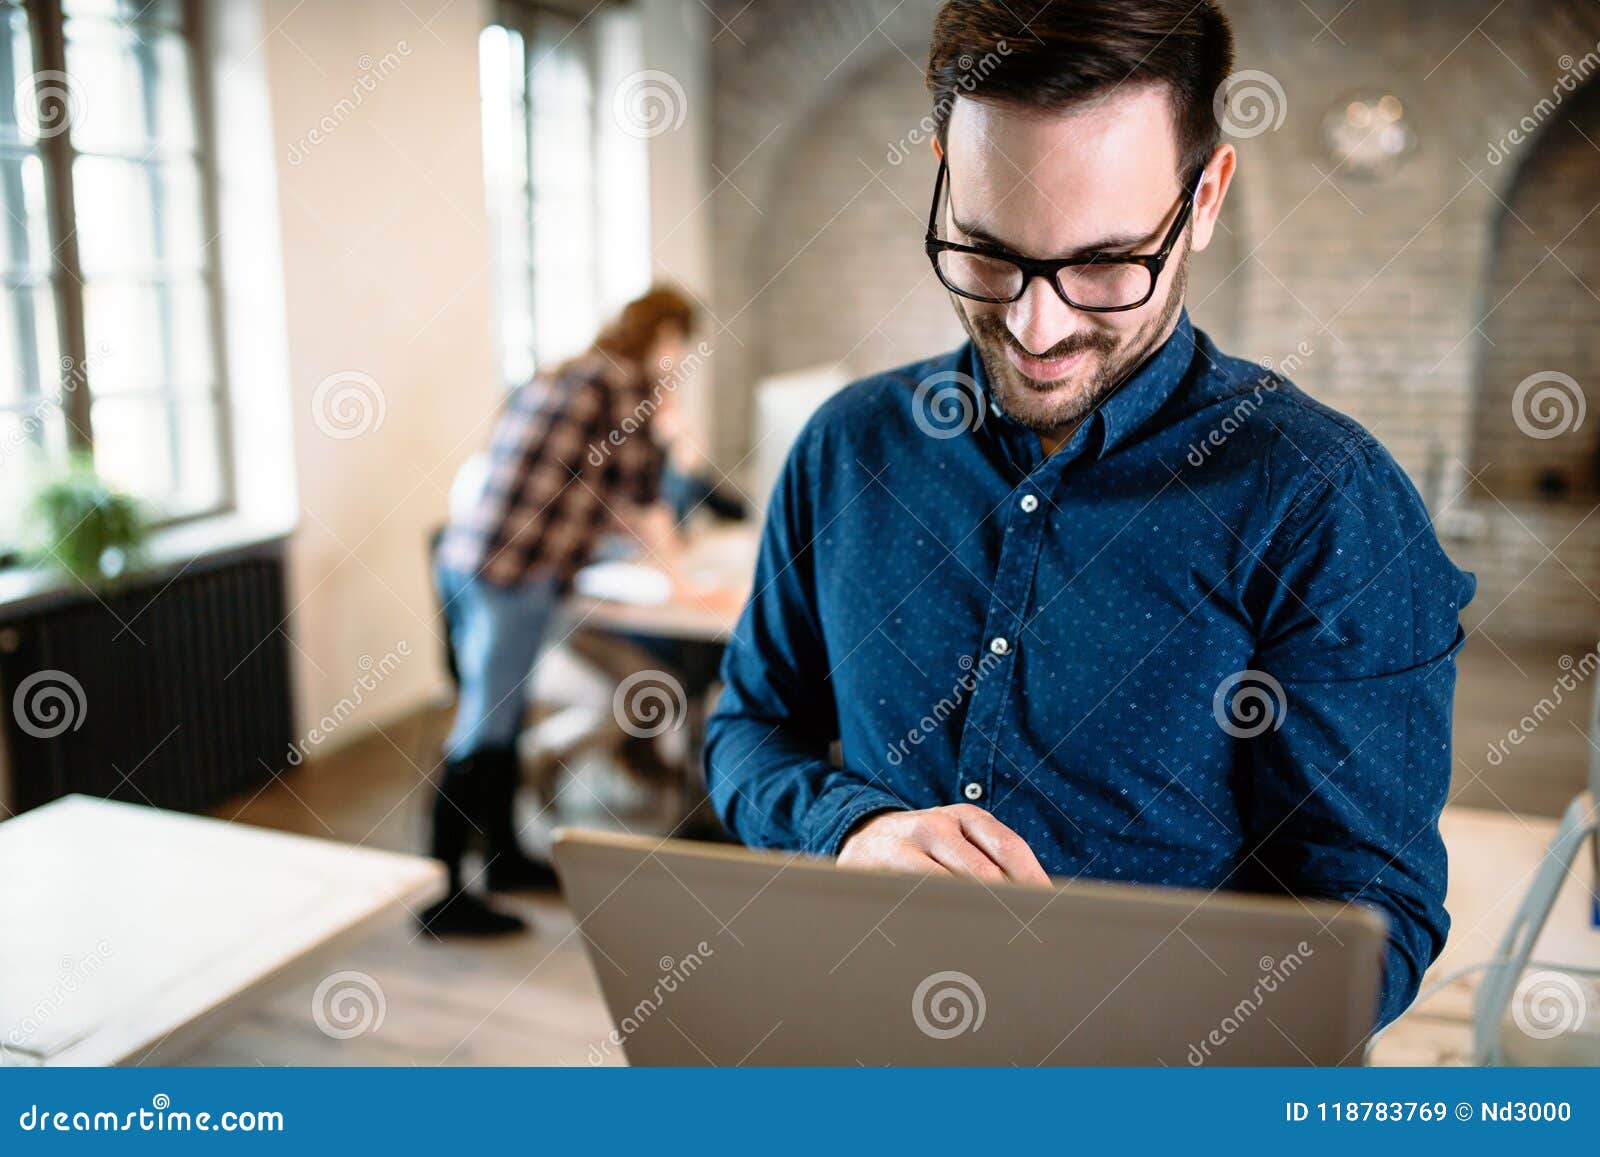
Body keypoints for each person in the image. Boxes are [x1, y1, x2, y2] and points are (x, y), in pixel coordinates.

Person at [704, 0, 1474, 1029]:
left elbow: (1373, 916)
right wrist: (850, 830)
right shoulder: (848, 449)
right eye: (987, 253)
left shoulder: (1325, 501)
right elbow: (748, 727)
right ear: (941, 165)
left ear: (1204, 199)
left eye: (1105, 265)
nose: (1037, 325)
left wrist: (1140, 1023)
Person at [426, 286, 694, 937]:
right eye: (681, 345)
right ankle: (442, 897)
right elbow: (643, 499)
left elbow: (589, 493)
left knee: (501, 719)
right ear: (665, 337)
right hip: (512, 571)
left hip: (471, 557)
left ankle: (503, 859)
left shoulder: (574, 372)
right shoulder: (625, 384)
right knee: (482, 729)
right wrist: (685, 583)